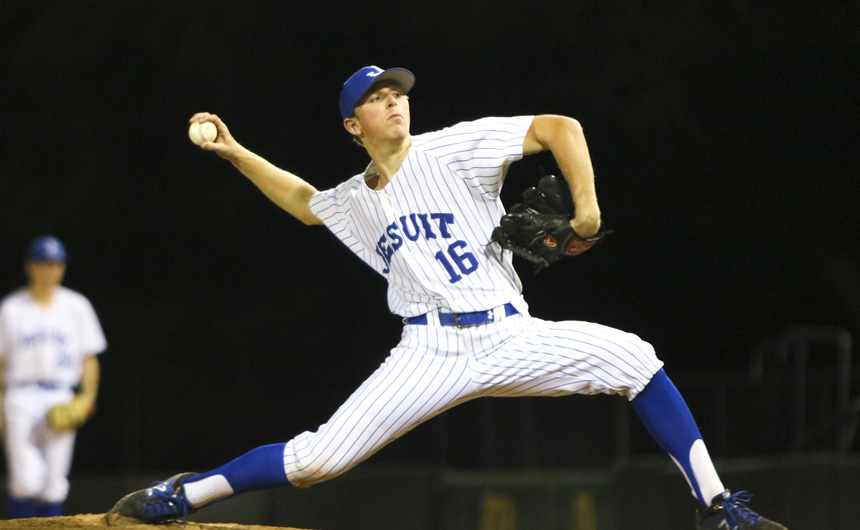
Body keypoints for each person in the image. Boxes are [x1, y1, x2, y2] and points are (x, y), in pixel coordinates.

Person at [105, 66, 787, 530]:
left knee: (636, 359)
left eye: (397, 92)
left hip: (512, 334)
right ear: (353, 126)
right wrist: (235, 153)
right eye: (376, 98)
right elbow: (305, 204)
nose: (394, 101)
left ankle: (717, 506)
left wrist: (587, 210)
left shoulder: (453, 149)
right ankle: (182, 495)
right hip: (428, 349)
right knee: (315, 461)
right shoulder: (357, 198)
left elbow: (561, 127)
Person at [0, 236, 106, 518]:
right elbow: (1, 362)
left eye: (57, 264)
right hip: (20, 394)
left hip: (61, 393)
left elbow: (89, 358)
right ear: (30, 266)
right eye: (44, 263)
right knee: (25, 479)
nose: (52, 270)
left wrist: (87, 398)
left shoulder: (77, 306)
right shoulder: (11, 308)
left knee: (54, 483)